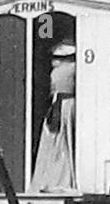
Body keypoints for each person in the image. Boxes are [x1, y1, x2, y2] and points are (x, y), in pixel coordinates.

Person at [31, 42, 78, 192]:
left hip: (65, 103)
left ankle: (60, 178)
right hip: (58, 103)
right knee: (56, 141)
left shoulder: (70, 68)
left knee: (62, 140)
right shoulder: (63, 69)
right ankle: (53, 177)